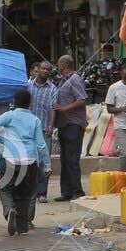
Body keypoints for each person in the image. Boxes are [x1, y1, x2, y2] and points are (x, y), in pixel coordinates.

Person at [0, 88, 51, 236]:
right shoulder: (35, 120)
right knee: (25, 194)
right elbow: (41, 145)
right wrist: (47, 165)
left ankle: (9, 210)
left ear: (14, 103)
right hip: (30, 161)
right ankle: (22, 228)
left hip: (10, 159)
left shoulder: (9, 116)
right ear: (29, 103)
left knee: (5, 189)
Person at [52, 55, 88, 200]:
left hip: (74, 124)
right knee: (65, 159)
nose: (57, 66)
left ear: (64, 65)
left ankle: (77, 191)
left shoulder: (75, 79)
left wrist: (65, 108)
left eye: (59, 64)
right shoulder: (63, 80)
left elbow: (82, 99)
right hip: (64, 124)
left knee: (72, 159)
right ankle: (66, 192)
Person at [28, 60, 58, 199]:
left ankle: (42, 193)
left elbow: (53, 108)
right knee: (30, 161)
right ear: (38, 69)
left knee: (44, 161)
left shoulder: (52, 88)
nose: (46, 71)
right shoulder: (28, 86)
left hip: (45, 129)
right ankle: (31, 192)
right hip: (28, 130)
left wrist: (51, 126)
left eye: (48, 70)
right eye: (43, 69)